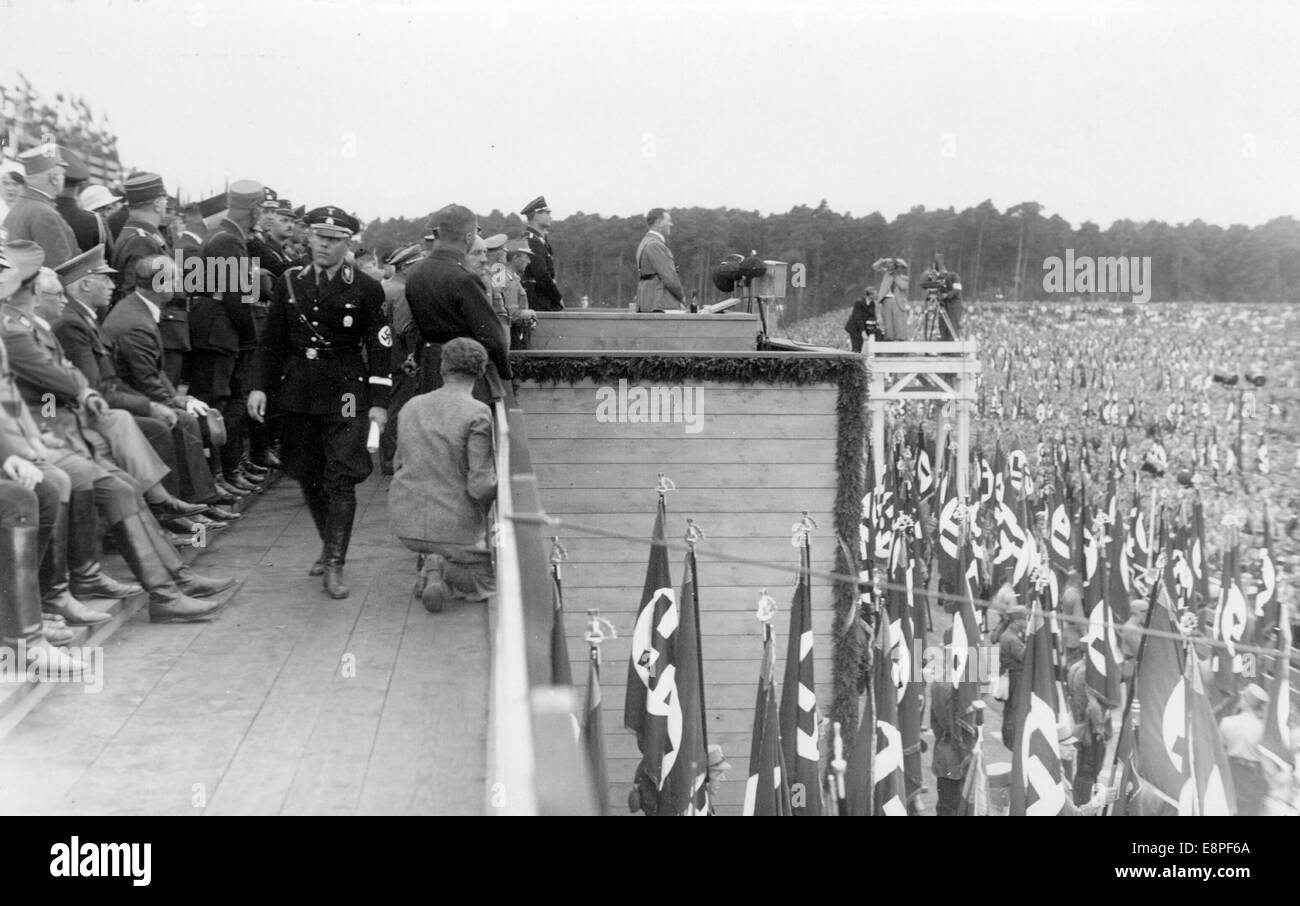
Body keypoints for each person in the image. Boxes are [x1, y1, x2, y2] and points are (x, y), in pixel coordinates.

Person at [247, 205, 391, 599]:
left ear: (348, 244)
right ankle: (329, 544)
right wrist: (259, 386)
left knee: (341, 473)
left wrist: (378, 401)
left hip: (345, 391)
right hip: (299, 391)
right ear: (308, 237)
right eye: (319, 238)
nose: (324, 246)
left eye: (334, 240)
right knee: (307, 472)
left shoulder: (365, 288)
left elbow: (380, 349)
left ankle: (335, 563)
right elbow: (272, 341)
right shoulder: (290, 282)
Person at [56, 248, 235, 515]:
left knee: (184, 414)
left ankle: (198, 498)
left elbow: (152, 372)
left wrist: (175, 399)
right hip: (107, 402)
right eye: (105, 279)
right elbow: (135, 380)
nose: (112, 285)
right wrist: (164, 404)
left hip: (118, 395)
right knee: (174, 422)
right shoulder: (129, 320)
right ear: (85, 283)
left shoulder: (124, 312)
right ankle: (183, 505)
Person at [389, 337, 496, 613]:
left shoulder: (411, 406)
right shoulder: (478, 412)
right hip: (453, 528)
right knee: (492, 578)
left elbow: (397, 462)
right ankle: (440, 568)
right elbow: (480, 486)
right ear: (480, 371)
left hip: (405, 523)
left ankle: (432, 563)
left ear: (442, 368)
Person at [190, 180, 265, 494]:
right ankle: (218, 477)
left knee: (222, 403)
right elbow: (236, 297)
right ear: (255, 209)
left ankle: (226, 473)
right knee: (222, 404)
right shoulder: (229, 240)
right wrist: (250, 336)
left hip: (215, 327)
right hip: (220, 331)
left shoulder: (221, 234)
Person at [402, 204, 512, 397]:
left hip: (429, 373)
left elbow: (418, 328)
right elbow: (493, 337)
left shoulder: (415, 272)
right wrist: (505, 372)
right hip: (465, 375)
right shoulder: (464, 277)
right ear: (469, 237)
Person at [2, 143, 78, 269]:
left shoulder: (19, 206)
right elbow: (58, 270)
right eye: (62, 174)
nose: (63, 179)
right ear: (54, 178)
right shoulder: (45, 214)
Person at [1218, 683, 1270, 816]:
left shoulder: (1227, 722)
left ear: (1245, 701)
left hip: (1230, 772)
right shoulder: (1263, 730)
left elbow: (1218, 751)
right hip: (1253, 777)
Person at [635, 207, 685, 313]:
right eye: (668, 221)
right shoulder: (655, 244)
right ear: (659, 222)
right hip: (660, 304)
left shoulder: (644, 242)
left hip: (646, 301)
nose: (671, 224)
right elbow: (670, 277)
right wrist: (681, 297)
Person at [521, 195, 563, 311]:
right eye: (547, 213)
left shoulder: (538, 240)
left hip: (542, 298)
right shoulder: (532, 240)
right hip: (538, 299)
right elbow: (541, 274)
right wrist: (557, 298)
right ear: (536, 216)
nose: (551, 217)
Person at [844, 287, 879, 353]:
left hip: (863, 327)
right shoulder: (859, 302)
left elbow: (872, 316)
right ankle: (853, 361)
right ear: (870, 295)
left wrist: (876, 325)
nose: (877, 296)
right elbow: (858, 318)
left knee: (860, 347)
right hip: (854, 327)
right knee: (856, 348)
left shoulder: (872, 303)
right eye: (875, 294)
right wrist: (863, 331)